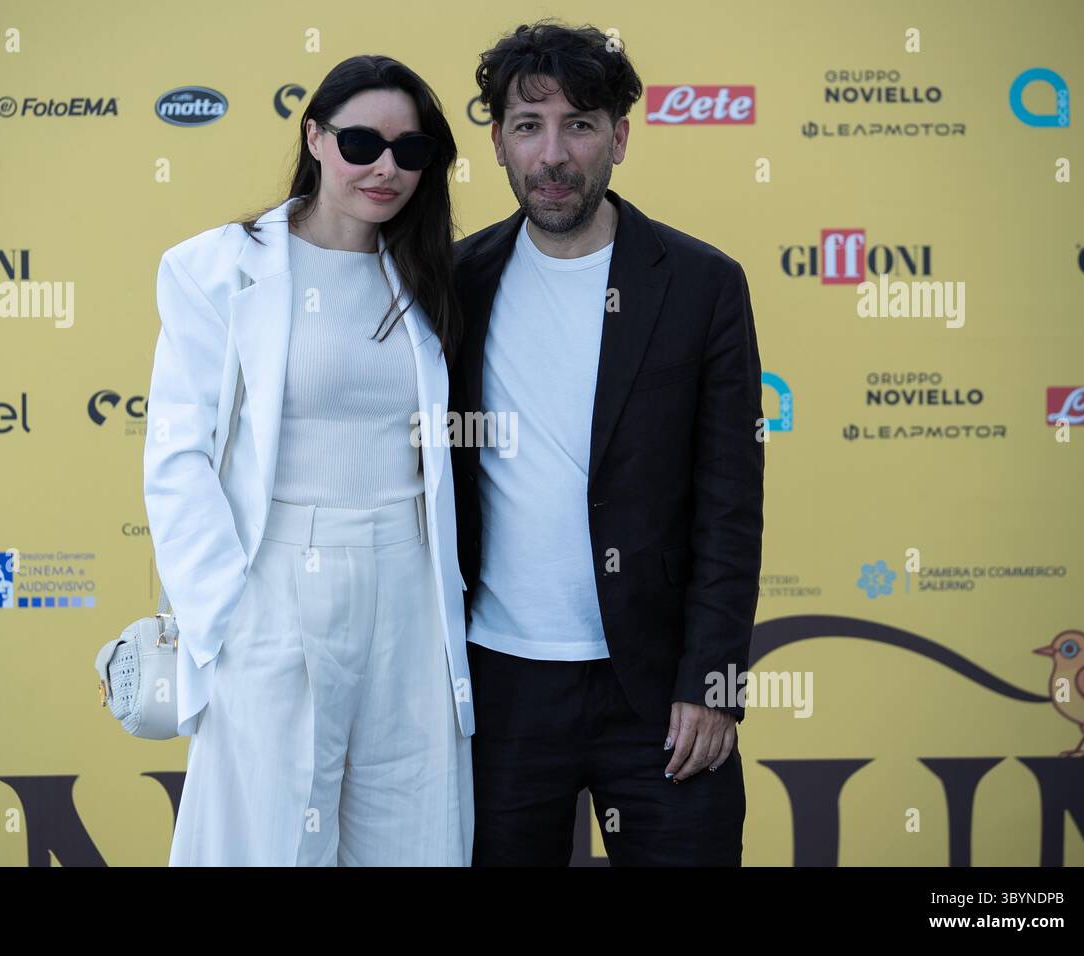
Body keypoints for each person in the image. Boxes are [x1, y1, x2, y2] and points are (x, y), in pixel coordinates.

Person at [143, 54, 474, 866]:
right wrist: (223, 615)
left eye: (411, 151)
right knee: (269, 833)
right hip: (275, 578)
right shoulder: (216, 266)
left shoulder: (433, 272)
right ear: (315, 137)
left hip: (411, 583)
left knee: (413, 826)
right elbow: (177, 454)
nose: (386, 167)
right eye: (361, 142)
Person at [450, 21, 765, 866]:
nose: (553, 154)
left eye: (580, 125)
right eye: (528, 125)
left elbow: (730, 503)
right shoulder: (454, 283)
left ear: (620, 137)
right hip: (499, 688)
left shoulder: (702, 284)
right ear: (498, 142)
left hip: (661, 691)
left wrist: (714, 684)